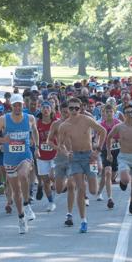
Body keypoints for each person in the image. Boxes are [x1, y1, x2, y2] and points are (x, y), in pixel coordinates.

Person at [56, 97, 107, 233]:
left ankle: (93, 178)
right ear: (68, 109)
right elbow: (60, 145)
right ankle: (83, 220)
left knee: (93, 190)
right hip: (75, 159)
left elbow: (103, 131)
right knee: (80, 188)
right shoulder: (64, 126)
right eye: (71, 108)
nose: (73, 110)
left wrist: (97, 151)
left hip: (90, 157)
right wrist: (67, 153)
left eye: (76, 108)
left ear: (80, 108)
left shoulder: (87, 120)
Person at [0, 94, 39, 234]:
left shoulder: (30, 118)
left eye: (19, 105)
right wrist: (3, 140)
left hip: (25, 156)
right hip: (10, 159)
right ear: (11, 106)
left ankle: (27, 205)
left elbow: (35, 131)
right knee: (16, 191)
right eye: (15, 105)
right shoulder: (3, 119)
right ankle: (21, 218)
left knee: (23, 175)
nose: (17, 108)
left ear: (23, 105)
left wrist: (36, 146)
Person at [35, 101, 57, 213]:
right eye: (43, 107)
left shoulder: (55, 122)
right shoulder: (37, 123)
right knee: (45, 181)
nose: (45, 110)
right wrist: (35, 147)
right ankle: (51, 202)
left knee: (52, 176)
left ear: (51, 109)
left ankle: (60, 184)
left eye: (47, 107)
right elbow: (33, 137)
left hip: (54, 154)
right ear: (41, 110)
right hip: (41, 156)